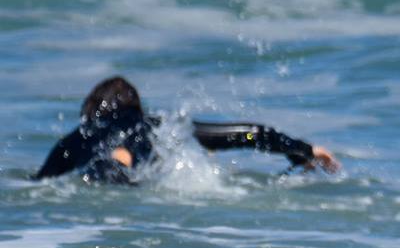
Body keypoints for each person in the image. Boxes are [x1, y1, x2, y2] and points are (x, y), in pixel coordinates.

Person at [31, 75, 341, 183]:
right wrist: (302, 150)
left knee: (107, 171)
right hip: (127, 184)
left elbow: (39, 185)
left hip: (94, 179)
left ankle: (117, 164)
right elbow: (247, 134)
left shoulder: (71, 141)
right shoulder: (158, 126)